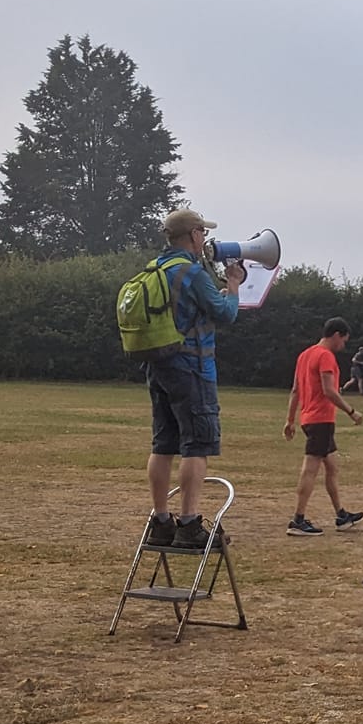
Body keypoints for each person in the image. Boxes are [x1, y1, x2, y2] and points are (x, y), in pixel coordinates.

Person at [142, 210, 243, 552]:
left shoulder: (156, 269)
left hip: (160, 366)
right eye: (202, 232)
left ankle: (160, 522)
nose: (205, 238)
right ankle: (188, 525)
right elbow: (225, 313)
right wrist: (233, 285)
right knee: (196, 445)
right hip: (193, 368)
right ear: (194, 235)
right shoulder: (192, 272)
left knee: (163, 445)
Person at [285, 317, 363, 536]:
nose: (343, 345)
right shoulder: (325, 356)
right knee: (310, 469)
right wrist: (351, 411)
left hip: (310, 419)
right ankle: (298, 520)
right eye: (344, 340)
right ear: (337, 335)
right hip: (320, 420)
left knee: (332, 467)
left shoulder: (305, 355)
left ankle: (341, 515)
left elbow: (295, 390)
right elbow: (329, 391)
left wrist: (290, 420)